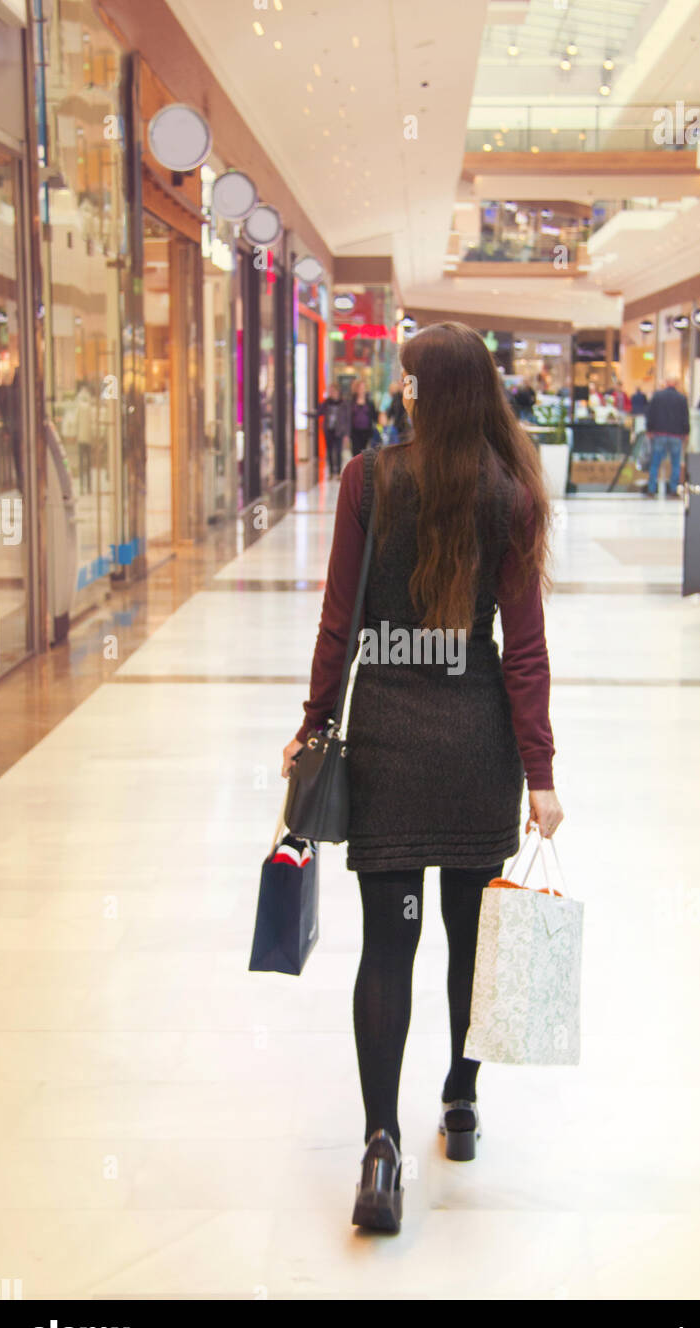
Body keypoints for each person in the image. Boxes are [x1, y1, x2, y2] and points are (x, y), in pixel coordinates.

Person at [281, 321, 561, 1234]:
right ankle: (462, 1103)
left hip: (391, 744)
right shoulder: (510, 492)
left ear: (429, 392)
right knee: (469, 942)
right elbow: (524, 650)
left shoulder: (370, 481)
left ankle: (379, 1144)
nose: (398, 393)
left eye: (407, 381)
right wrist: (539, 772)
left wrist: (316, 723)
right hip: (476, 747)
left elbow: (337, 624)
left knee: (390, 946)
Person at [644, 377, 690, 497]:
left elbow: (650, 414)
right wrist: (686, 432)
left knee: (655, 463)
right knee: (675, 463)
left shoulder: (657, 396)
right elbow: (685, 417)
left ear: (665, 383)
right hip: (676, 435)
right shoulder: (681, 398)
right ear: (676, 384)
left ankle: (652, 489)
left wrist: (649, 429)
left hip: (659, 434)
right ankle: (674, 490)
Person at [315, 381, 349, 479]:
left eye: (333, 391)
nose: (331, 393)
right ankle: (330, 472)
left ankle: (338, 472)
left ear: (337, 391)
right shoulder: (326, 402)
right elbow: (319, 412)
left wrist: (346, 433)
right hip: (328, 430)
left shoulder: (343, 403)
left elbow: (347, 419)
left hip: (339, 430)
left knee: (338, 451)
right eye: (330, 391)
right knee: (329, 451)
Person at [349, 379, 378, 455]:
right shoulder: (351, 401)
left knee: (364, 453)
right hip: (355, 432)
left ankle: (363, 467)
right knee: (355, 452)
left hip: (366, 432)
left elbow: (375, 416)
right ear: (356, 389)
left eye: (363, 388)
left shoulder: (370, 402)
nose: (361, 390)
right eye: (360, 388)